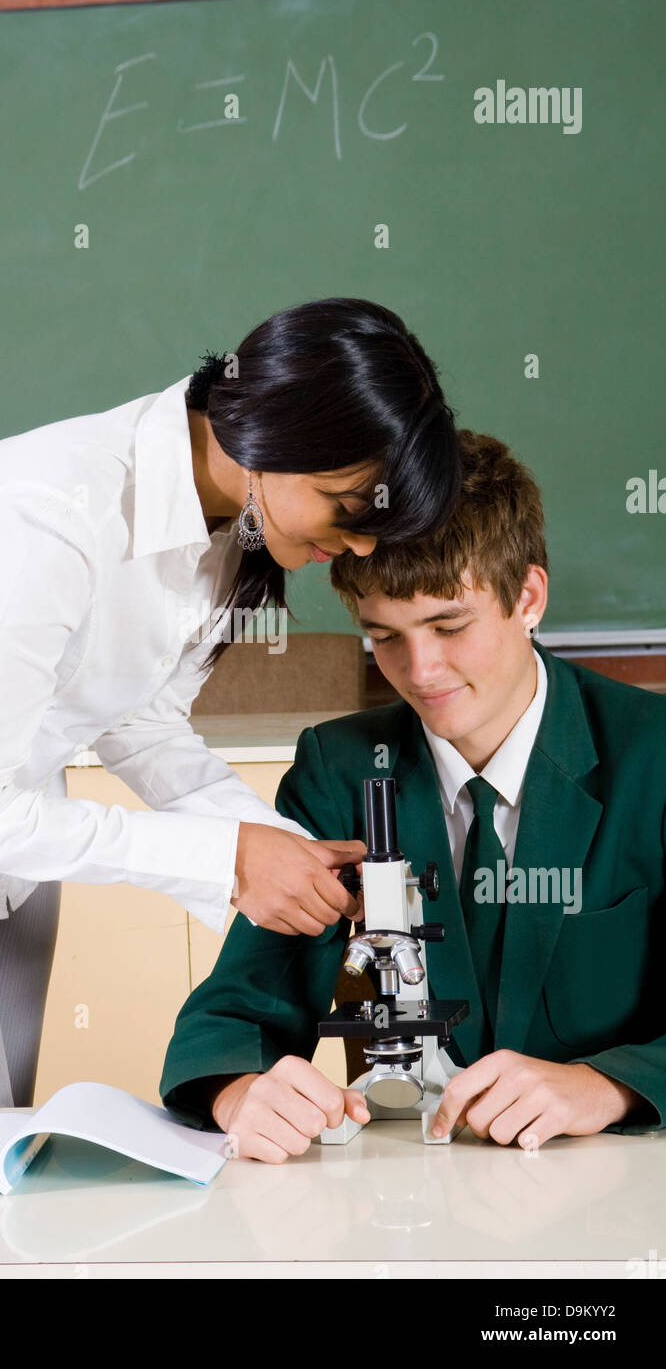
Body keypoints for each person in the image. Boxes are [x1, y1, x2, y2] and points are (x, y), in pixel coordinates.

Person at [0, 296, 461, 1111]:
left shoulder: (228, 528)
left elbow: (138, 721)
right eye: (349, 506)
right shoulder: (50, 514)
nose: (360, 544)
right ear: (274, 439)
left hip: (12, 847)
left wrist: (282, 850)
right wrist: (226, 861)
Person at [160, 429, 666, 1159]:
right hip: (413, 1195)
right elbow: (239, 1008)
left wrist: (607, 1085)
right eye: (383, 635)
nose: (421, 669)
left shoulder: (650, 756)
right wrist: (241, 1092)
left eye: (447, 624)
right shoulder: (339, 770)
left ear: (527, 596)